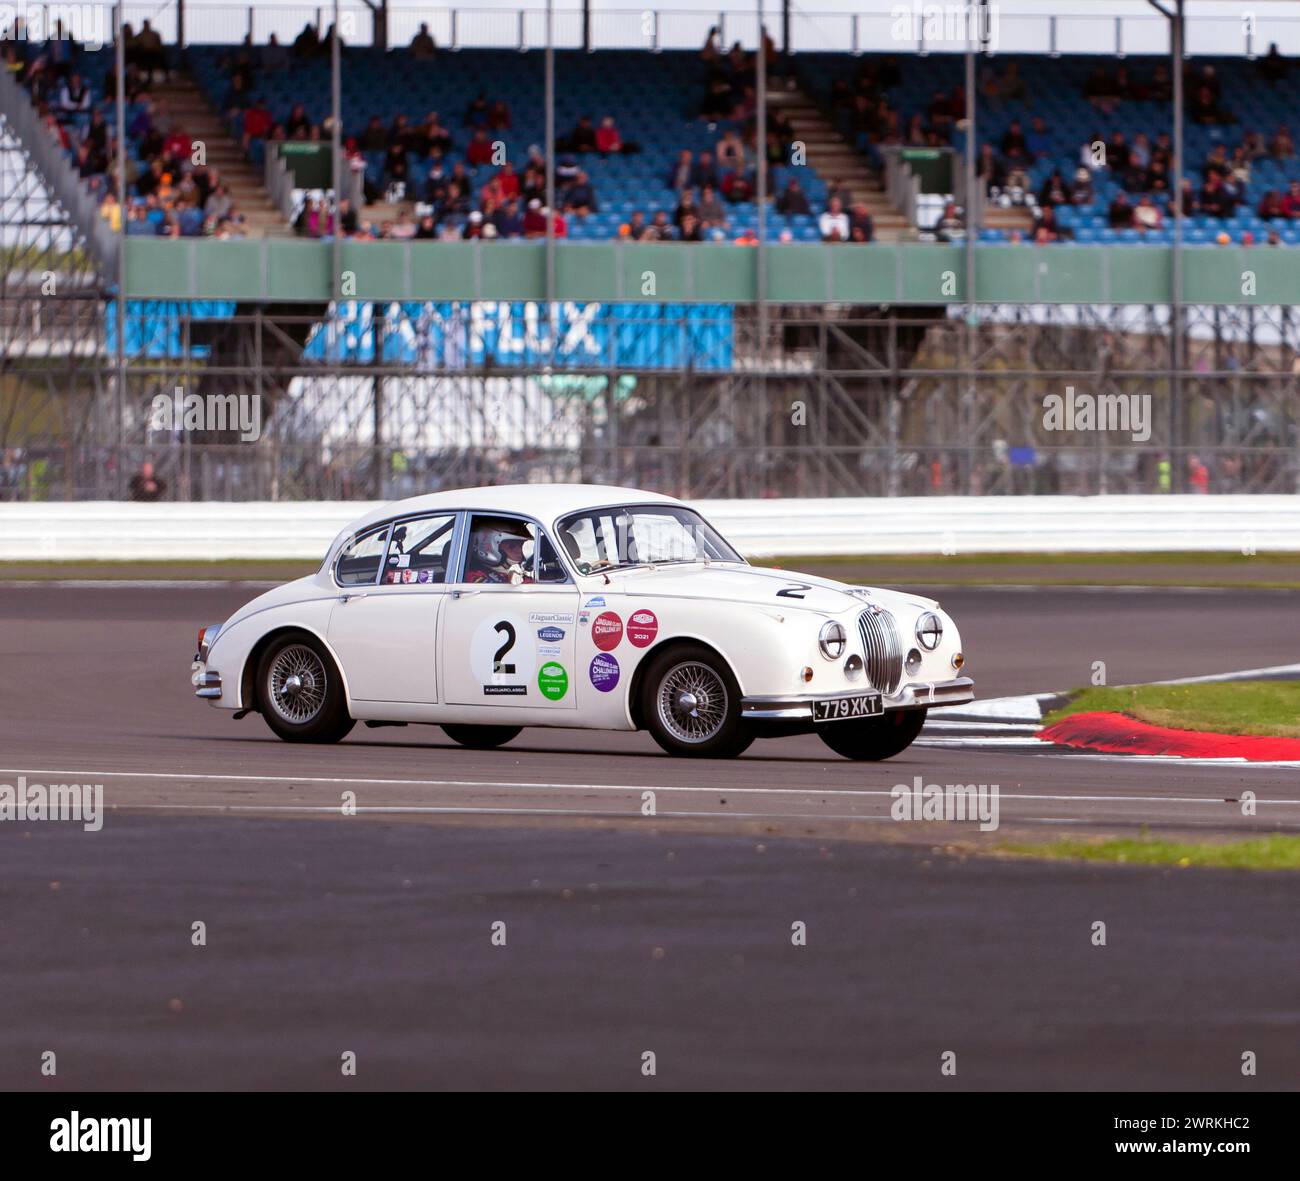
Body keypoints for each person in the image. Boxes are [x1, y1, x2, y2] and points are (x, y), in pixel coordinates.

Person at [465, 521, 532, 584]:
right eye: (511, 546)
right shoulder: (473, 575)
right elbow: (492, 594)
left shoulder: (513, 574)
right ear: (489, 549)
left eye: (521, 545)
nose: (519, 552)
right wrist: (510, 580)